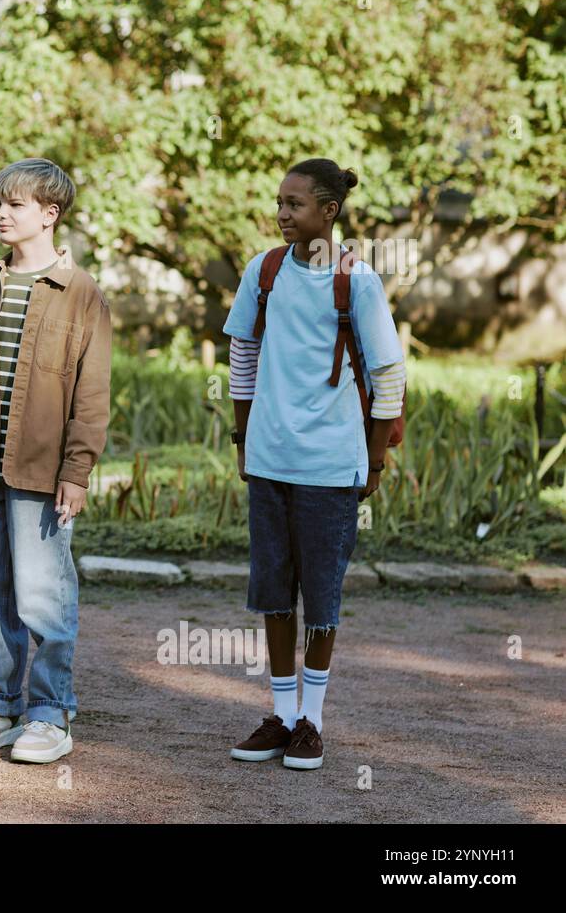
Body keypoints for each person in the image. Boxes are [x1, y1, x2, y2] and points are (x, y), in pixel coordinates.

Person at [223, 158, 406, 770]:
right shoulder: (263, 271)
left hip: (331, 464)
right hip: (271, 460)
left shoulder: (357, 282)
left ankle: (312, 722)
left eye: (295, 204)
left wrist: (374, 461)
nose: (282, 214)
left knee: (321, 597)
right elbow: (243, 355)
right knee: (274, 592)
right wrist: (244, 441)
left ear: (329, 212)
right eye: (279, 202)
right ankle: (278, 716)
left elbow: (388, 375)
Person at [0, 157, 111, 765]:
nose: (2, 215)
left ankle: (50, 713)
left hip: (42, 469)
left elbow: (92, 393)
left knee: (43, 592)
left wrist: (77, 471)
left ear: (50, 213)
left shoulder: (80, 292)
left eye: (16, 205)